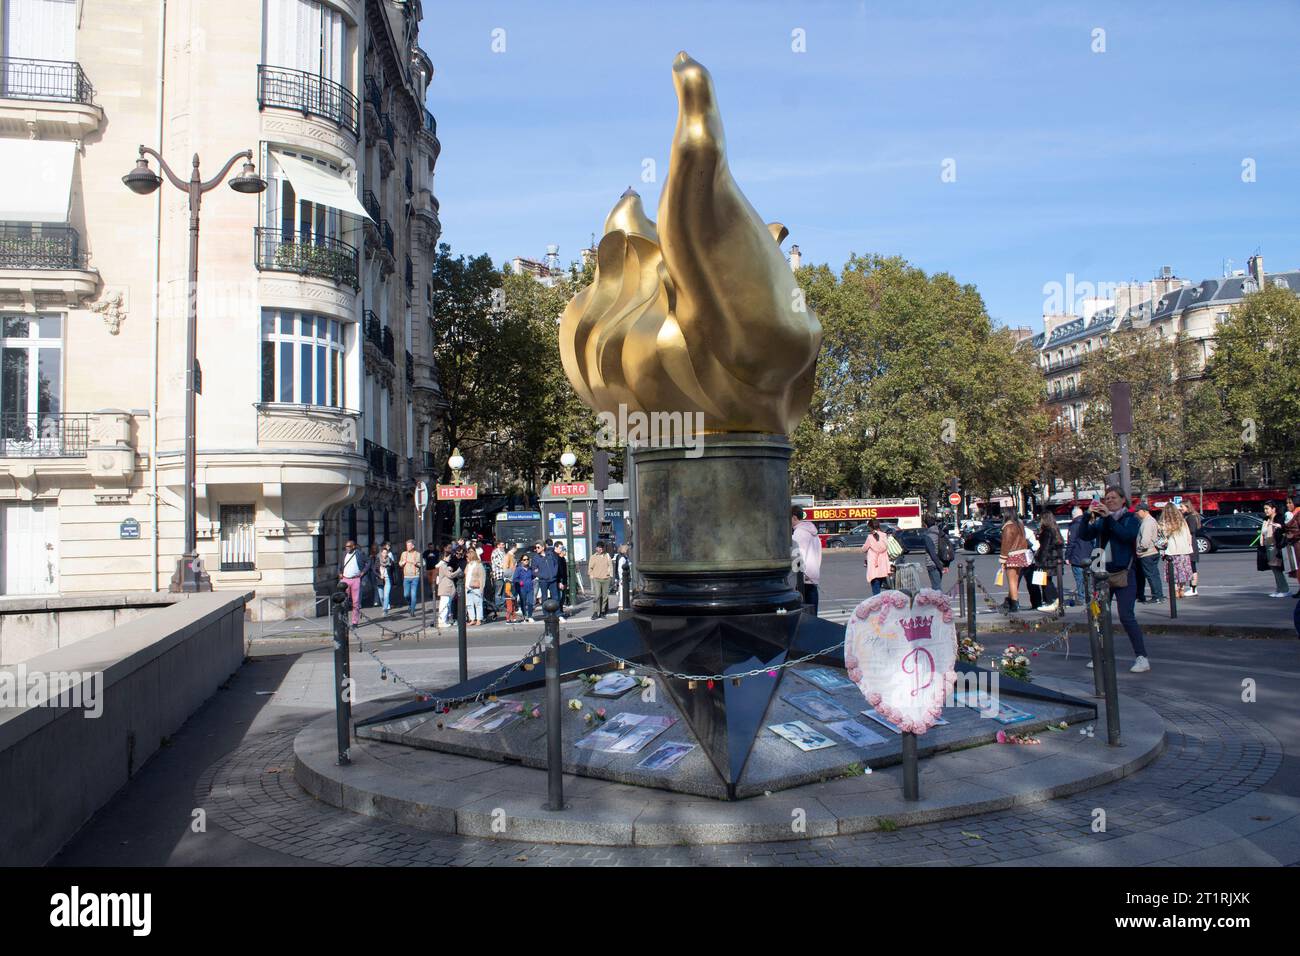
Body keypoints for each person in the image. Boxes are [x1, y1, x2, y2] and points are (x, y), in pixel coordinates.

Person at [1080, 486, 1151, 672]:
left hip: (1124, 573)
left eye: (1113, 498)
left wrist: (1108, 518)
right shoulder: (1103, 520)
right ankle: (1100, 654)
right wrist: (1087, 515)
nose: (1109, 501)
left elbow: (1126, 536)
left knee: (1126, 616)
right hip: (1102, 573)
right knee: (1100, 616)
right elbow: (1085, 534)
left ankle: (1141, 657)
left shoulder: (1131, 519)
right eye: (1107, 498)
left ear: (1123, 500)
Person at [1028, 511, 1063, 612]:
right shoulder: (1055, 529)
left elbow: (1045, 548)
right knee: (1047, 581)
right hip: (1053, 560)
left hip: (1047, 560)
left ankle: (1052, 600)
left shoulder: (1047, 531)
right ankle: (1051, 601)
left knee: (1045, 582)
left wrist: (1040, 561)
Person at [791, 505, 823, 612]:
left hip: (802, 578)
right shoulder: (813, 532)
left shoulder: (799, 533)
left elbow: (797, 556)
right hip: (813, 576)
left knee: (804, 616)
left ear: (794, 517)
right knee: (813, 614)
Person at [1159, 503, 1194, 600]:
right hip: (1184, 550)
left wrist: (1161, 551)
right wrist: (1189, 546)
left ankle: (1174, 590)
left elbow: (1162, 538)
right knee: (1183, 571)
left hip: (1171, 550)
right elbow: (1188, 535)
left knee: (1173, 572)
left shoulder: (1164, 523)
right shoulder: (1182, 521)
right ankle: (1181, 589)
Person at [998, 515, 1032, 613]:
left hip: (1012, 555)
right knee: (1015, 580)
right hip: (1021, 554)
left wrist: (1003, 559)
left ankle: (1014, 603)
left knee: (1012, 581)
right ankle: (1010, 601)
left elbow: (1006, 544)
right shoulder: (1020, 524)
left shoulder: (1008, 526)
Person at [1134, 502, 1164, 604]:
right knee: (1154, 575)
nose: (1137, 513)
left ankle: (1157, 596)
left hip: (1147, 553)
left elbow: (1145, 541)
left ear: (1144, 511)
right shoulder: (1152, 521)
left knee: (1151, 575)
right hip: (1153, 551)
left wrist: (1139, 549)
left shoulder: (1147, 523)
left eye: (1138, 511)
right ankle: (1158, 595)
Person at [1260, 501, 1291, 598]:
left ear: (1273, 509)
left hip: (1276, 546)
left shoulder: (1279, 518)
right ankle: (1279, 588)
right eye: (1264, 509)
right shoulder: (1266, 519)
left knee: (1277, 568)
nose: (1265, 511)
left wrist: (1279, 526)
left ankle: (1285, 589)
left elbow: (1285, 528)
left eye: (1267, 508)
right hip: (1267, 546)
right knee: (1274, 569)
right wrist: (1261, 542)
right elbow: (1262, 532)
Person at [1064, 506, 1091, 605]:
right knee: (1088, 578)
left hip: (1077, 556)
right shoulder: (1088, 524)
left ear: (1073, 515)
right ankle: (1090, 597)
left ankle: (1081, 597)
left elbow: (1071, 543)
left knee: (1080, 579)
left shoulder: (1074, 525)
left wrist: (1067, 556)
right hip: (1088, 555)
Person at [338, 540, 369, 626]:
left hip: (356, 579)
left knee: (356, 602)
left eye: (349, 546)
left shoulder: (359, 554)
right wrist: (340, 573)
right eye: (346, 547)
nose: (347, 548)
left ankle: (355, 622)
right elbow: (340, 565)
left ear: (353, 546)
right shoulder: (344, 554)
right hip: (345, 580)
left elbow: (368, 562)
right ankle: (344, 620)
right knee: (344, 600)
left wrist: (363, 572)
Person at [862, 518, 891, 596]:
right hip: (882, 564)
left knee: (875, 587)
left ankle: (877, 603)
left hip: (874, 564)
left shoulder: (870, 537)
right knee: (880, 581)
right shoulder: (884, 535)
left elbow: (864, 549)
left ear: (871, 527)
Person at [918, 513, 945, 592]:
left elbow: (932, 553)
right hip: (941, 562)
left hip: (933, 564)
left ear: (926, 524)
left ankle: (940, 603)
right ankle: (940, 602)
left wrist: (940, 566)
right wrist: (942, 565)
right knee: (938, 585)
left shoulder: (928, 536)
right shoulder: (939, 532)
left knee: (936, 588)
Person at [1180, 502, 1202, 595]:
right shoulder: (1190, 516)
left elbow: (1192, 530)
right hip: (1190, 543)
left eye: (1182, 506)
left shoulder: (1190, 517)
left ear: (1187, 506)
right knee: (1191, 566)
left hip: (1190, 544)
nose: (1181, 508)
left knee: (1192, 567)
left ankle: (1193, 589)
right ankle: (1193, 589)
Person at [534, 539, 561, 614]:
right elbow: (534, 570)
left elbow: (556, 564)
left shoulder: (550, 554)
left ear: (543, 547)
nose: (536, 549)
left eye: (538, 547)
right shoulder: (536, 558)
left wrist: (554, 573)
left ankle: (557, 613)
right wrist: (541, 575)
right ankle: (546, 614)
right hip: (543, 581)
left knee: (555, 597)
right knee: (544, 598)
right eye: (536, 548)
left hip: (553, 579)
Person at [434, 546, 458, 628]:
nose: (450, 559)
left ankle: (445, 620)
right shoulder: (443, 565)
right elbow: (450, 575)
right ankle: (442, 621)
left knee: (447, 605)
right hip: (445, 588)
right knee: (444, 604)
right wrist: (458, 571)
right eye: (449, 557)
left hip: (447, 587)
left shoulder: (444, 565)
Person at [588, 541, 613, 619]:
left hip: (606, 579)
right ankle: (596, 612)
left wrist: (610, 576)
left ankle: (602, 612)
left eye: (602, 547)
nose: (600, 549)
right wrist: (591, 575)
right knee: (597, 595)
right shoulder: (593, 557)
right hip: (597, 579)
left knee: (605, 596)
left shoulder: (607, 555)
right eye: (599, 547)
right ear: (596, 548)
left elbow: (610, 566)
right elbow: (590, 568)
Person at [398, 539, 422, 615]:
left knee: (413, 594)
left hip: (415, 577)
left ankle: (412, 610)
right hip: (406, 577)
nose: (407, 547)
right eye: (407, 545)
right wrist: (402, 563)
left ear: (413, 546)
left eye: (409, 545)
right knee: (406, 595)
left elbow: (423, 564)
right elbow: (400, 563)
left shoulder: (418, 554)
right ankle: (410, 604)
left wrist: (417, 564)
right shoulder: (403, 554)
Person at [513, 553, 537, 621]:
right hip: (522, 588)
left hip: (530, 588)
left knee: (530, 602)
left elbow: (532, 577)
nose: (526, 561)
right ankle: (525, 615)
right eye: (524, 559)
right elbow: (515, 579)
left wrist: (535, 573)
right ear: (521, 561)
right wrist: (520, 581)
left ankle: (530, 616)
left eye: (527, 559)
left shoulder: (530, 569)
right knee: (523, 602)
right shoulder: (518, 569)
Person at [465, 550, 486, 625]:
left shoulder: (479, 565)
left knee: (478, 603)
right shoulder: (468, 565)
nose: (466, 558)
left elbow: (482, 577)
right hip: (467, 587)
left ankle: (479, 619)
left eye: (467, 556)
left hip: (476, 587)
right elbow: (465, 575)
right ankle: (472, 619)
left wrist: (481, 588)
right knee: (469, 604)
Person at [375, 542, 395, 613]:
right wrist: (379, 575)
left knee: (386, 595)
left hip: (387, 580)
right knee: (381, 597)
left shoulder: (390, 561)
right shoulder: (378, 560)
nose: (385, 554)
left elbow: (393, 570)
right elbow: (375, 570)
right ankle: (384, 605)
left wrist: (393, 580)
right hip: (380, 580)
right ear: (381, 553)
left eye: (386, 553)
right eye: (383, 553)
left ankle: (385, 609)